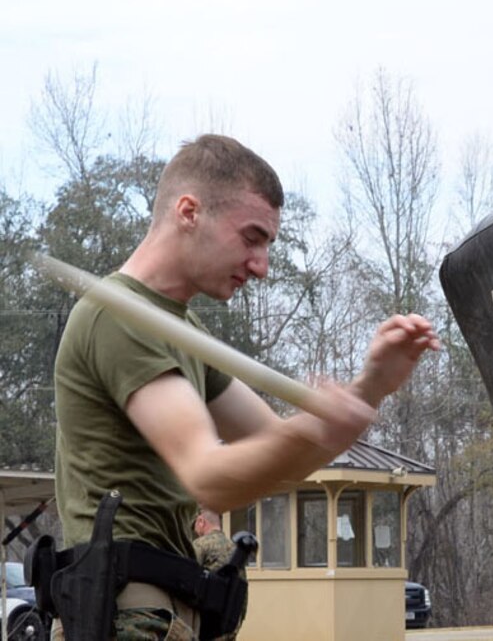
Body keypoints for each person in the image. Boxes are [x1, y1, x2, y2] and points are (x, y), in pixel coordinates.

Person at [51, 134, 440, 639]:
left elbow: (276, 455)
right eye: (251, 238)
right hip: (128, 613)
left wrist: (370, 388)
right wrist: (319, 429)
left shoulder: (185, 333)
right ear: (188, 212)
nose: (261, 266)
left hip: (171, 608)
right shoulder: (121, 317)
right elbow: (209, 475)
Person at [192, 508, 246, 641]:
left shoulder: (200, 545)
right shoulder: (236, 550)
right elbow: (242, 590)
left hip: (205, 627)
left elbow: (188, 581)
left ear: (201, 522)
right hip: (229, 626)